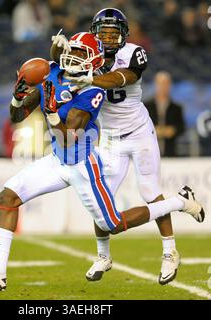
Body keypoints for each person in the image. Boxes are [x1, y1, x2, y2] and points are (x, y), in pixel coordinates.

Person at [0, 32, 205, 291]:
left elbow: (69, 137)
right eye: (73, 51)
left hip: (82, 165)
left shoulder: (93, 91)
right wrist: (18, 94)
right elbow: (17, 115)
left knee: (112, 224)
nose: (73, 57)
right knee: (8, 196)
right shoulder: (53, 72)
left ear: (93, 61)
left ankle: (180, 202)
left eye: (81, 53)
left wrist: (53, 110)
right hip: (57, 161)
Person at [61, 8, 183, 285]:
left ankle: (170, 252)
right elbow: (62, 66)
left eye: (113, 33)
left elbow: (125, 77)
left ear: (123, 35)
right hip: (111, 139)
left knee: (151, 191)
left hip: (139, 132)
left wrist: (90, 79)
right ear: (94, 34)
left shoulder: (134, 52)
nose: (107, 37)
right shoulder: (87, 55)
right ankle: (103, 255)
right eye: (102, 33)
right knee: (99, 200)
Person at [145, 71, 185, 157]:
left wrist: (173, 130)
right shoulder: (146, 106)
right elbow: (139, 127)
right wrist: (154, 131)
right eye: (160, 84)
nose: (163, 87)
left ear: (170, 86)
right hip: (149, 154)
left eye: (166, 84)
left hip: (170, 152)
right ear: (156, 85)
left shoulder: (176, 108)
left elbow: (181, 127)